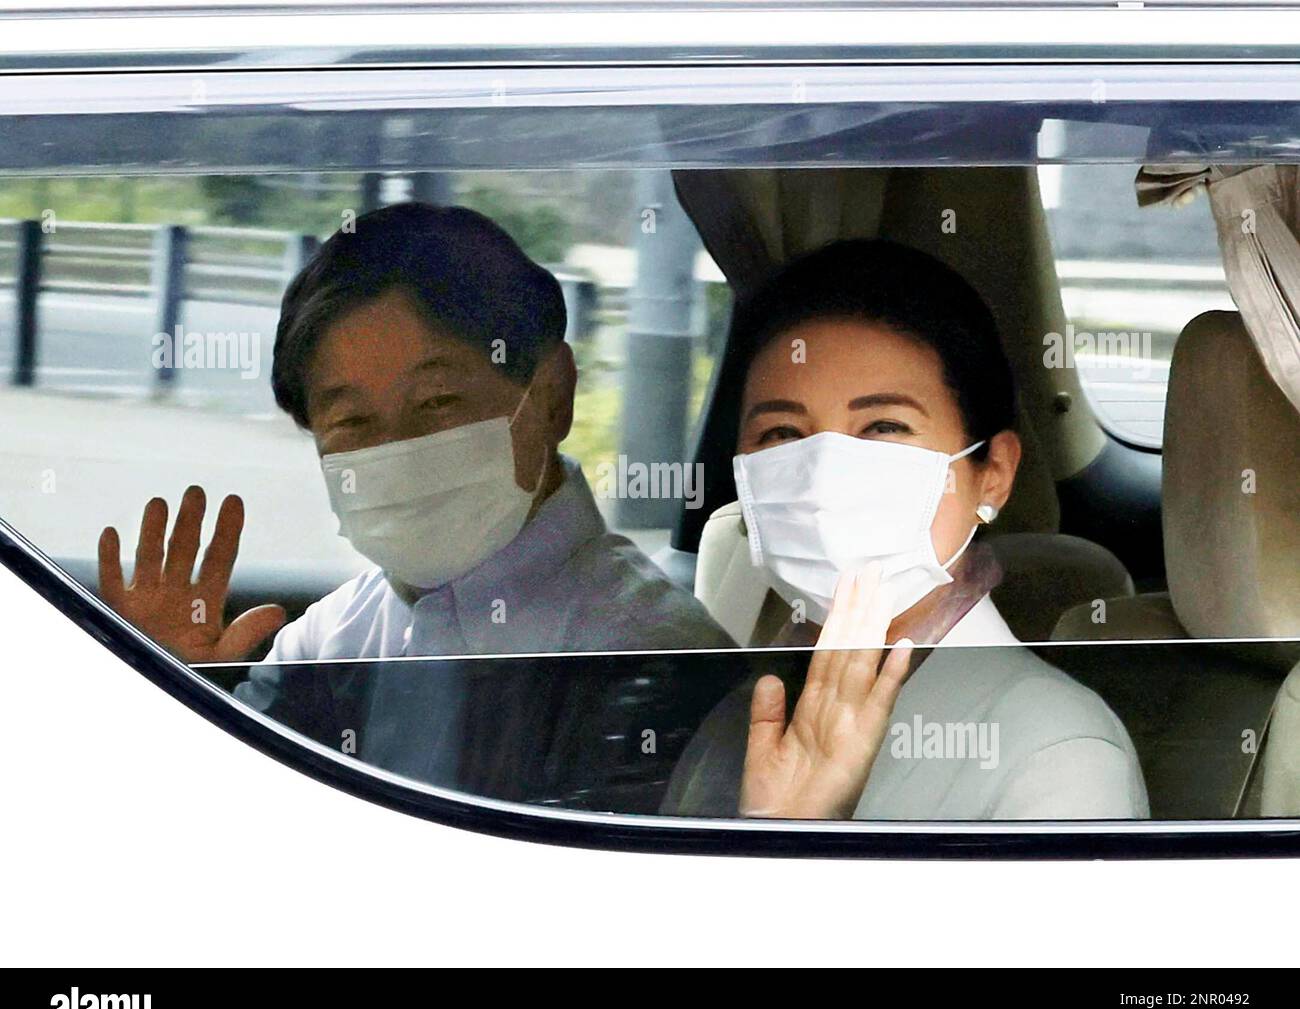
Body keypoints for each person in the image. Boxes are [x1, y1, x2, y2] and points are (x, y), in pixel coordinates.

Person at [97, 203, 737, 811]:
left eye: (437, 403)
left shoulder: (659, 667)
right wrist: (165, 702)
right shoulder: (327, 646)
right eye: (351, 421)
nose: (395, 448)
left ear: (551, 396)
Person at [661, 238, 1149, 820]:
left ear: (992, 474)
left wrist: (794, 831)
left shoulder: (1059, 752)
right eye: (782, 434)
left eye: (884, 427)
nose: (824, 475)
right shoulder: (744, 716)